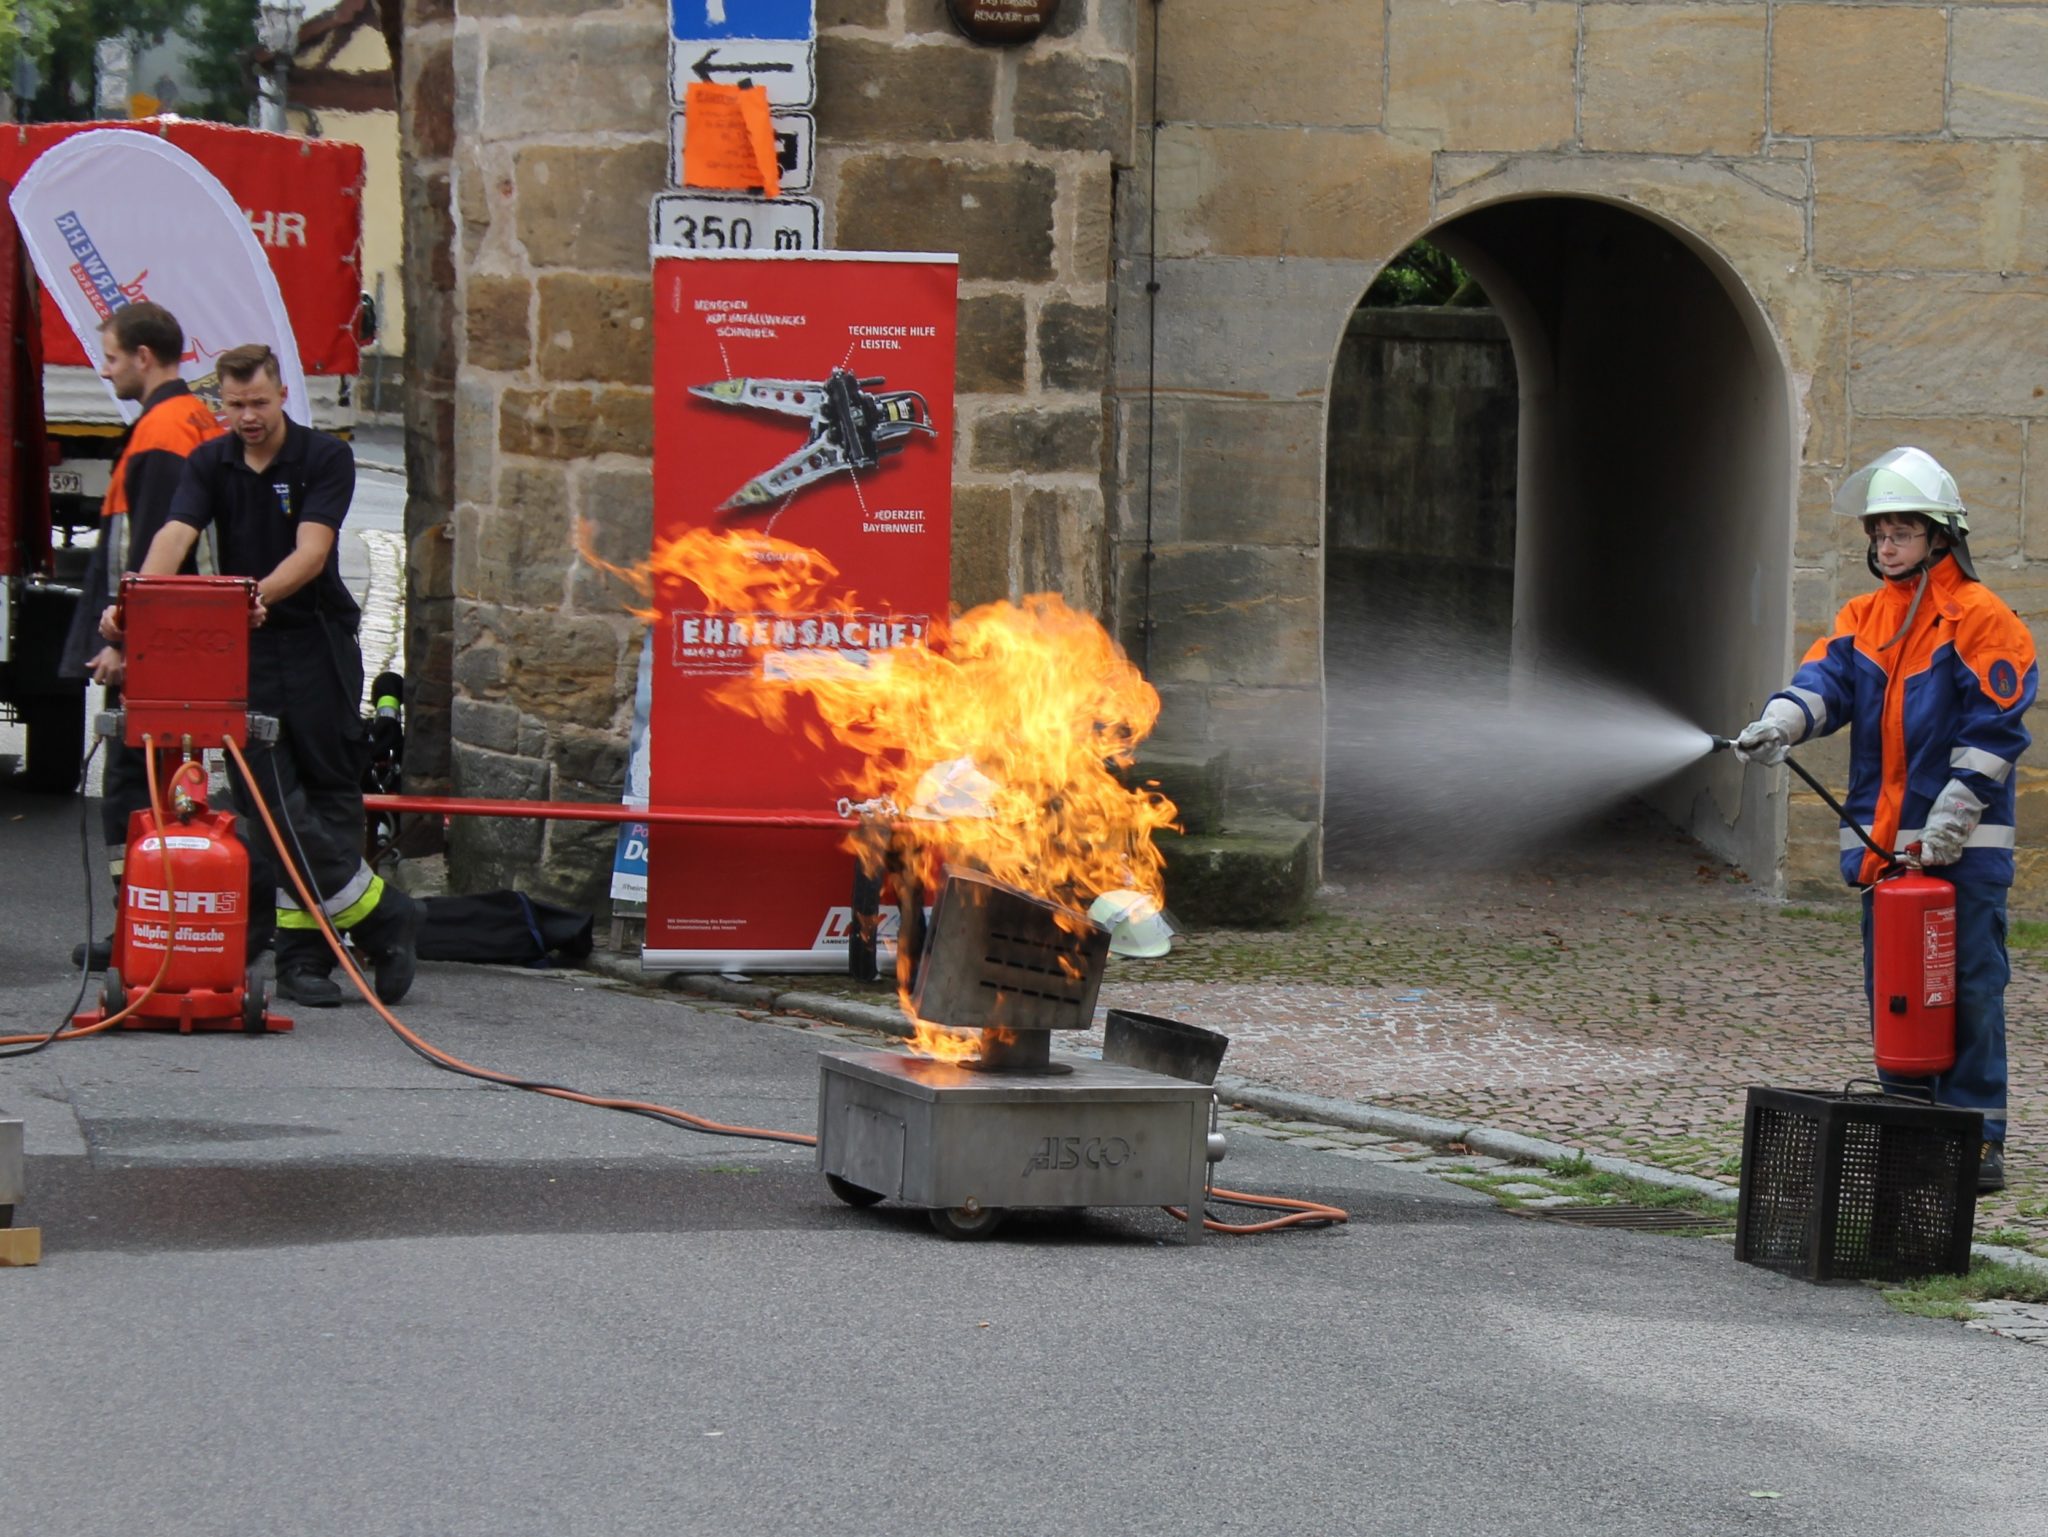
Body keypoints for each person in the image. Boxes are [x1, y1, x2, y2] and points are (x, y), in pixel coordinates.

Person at [1734, 447, 2035, 1192]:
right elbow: (1825, 682)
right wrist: (1779, 722)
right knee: (1899, 994)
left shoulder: (1983, 619)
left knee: (1969, 991)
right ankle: (1910, 1133)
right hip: (1889, 857)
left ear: (1941, 535)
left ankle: (1977, 1141)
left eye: (1901, 532)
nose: (1886, 546)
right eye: (1879, 533)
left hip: (1964, 854)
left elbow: (1995, 731)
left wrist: (1951, 821)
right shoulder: (1864, 619)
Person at [125, 342, 418, 1007]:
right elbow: (175, 533)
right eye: (235, 406)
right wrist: (140, 600)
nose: (248, 417)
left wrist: (254, 595)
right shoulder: (211, 461)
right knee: (267, 802)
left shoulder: (324, 457)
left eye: (258, 402)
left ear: (283, 395)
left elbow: (312, 552)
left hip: (316, 641)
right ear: (221, 405)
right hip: (248, 651)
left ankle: (304, 957)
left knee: (329, 793)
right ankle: (382, 915)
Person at [57, 301, 224, 970]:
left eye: (111, 357)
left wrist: (123, 641)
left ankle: (140, 923)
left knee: (135, 788)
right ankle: (162, 917)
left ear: (144, 357)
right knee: (172, 782)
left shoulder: (161, 432)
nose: (105, 371)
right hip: (182, 642)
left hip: (155, 647)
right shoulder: (191, 419)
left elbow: (151, 552)